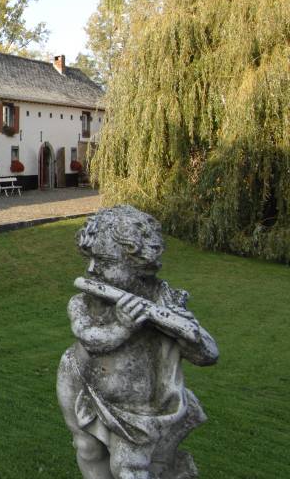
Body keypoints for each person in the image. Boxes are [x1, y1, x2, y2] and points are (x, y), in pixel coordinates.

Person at [58, 205, 219, 479]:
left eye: (104, 262)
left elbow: (208, 354)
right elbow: (89, 339)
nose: (91, 268)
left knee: (132, 468)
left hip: (140, 406)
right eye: (90, 258)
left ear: (138, 261)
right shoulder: (83, 302)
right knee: (87, 448)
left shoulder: (164, 300)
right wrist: (122, 326)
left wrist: (185, 332)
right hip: (81, 379)